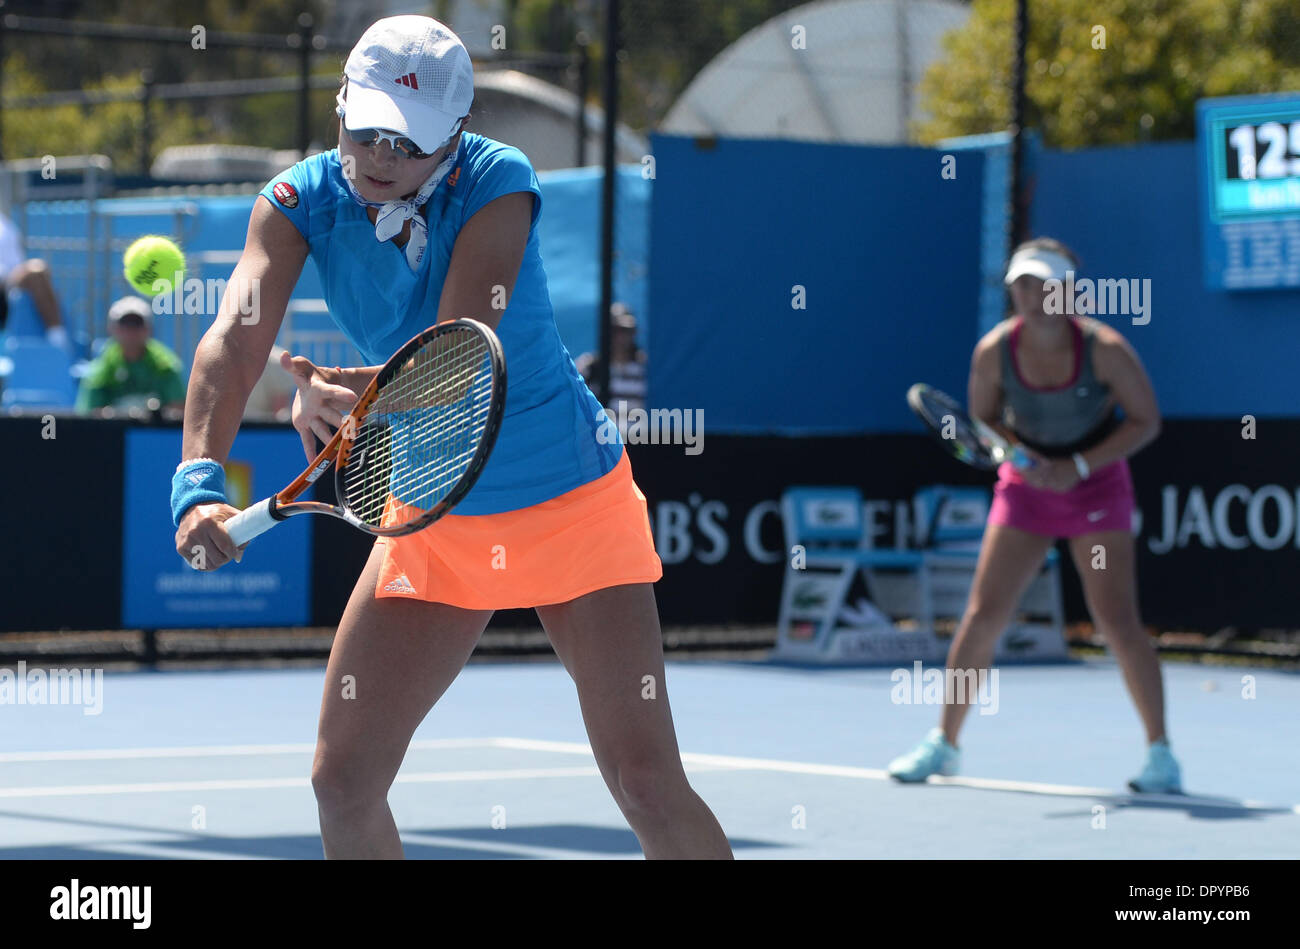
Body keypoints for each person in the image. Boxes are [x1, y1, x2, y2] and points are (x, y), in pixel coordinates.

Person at [171, 16, 731, 859]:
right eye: (366, 129)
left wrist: (345, 397)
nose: (382, 155)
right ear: (338, 110)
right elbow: (235, 337)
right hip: (432, 510)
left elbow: (460, 351)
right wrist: (199, 482)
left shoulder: (499, 180)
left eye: (409, 141)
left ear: (456, 138)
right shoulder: (295, 202)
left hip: (571, 499)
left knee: (646, 782)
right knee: (342, 781)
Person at [888, 237, 1181, 794]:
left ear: (1067, 290)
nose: (1029, 294)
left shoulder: (1107, 349)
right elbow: (981, 419)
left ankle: (1161, 755)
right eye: (1021, 283)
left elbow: (1146, 421)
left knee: (1116, 619)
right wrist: (1020, 456)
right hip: (1025, 489)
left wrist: (1076, 464)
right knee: (983, 614)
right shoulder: (994, 351)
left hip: (1096, 487)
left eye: (1042, 283)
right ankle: (944, 744)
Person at [76, 295, 186, 417]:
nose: (131, 331)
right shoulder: (99, 372)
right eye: (125, 325)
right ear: (111, 329)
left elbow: (180, 412)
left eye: (137, 324)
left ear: (148, 329)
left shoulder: (166, 367)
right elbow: (88, 416)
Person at [0, 209, 72, 350]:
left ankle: (58, 339)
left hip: (9, 284)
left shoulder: (4, 223)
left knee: (38, 271)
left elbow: (15, 262)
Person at [577, 302, 647, 416]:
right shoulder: (589, 367)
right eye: (615, 330)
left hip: (639, 433)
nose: (620, 337)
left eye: (625, 330)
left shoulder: (645, 367)